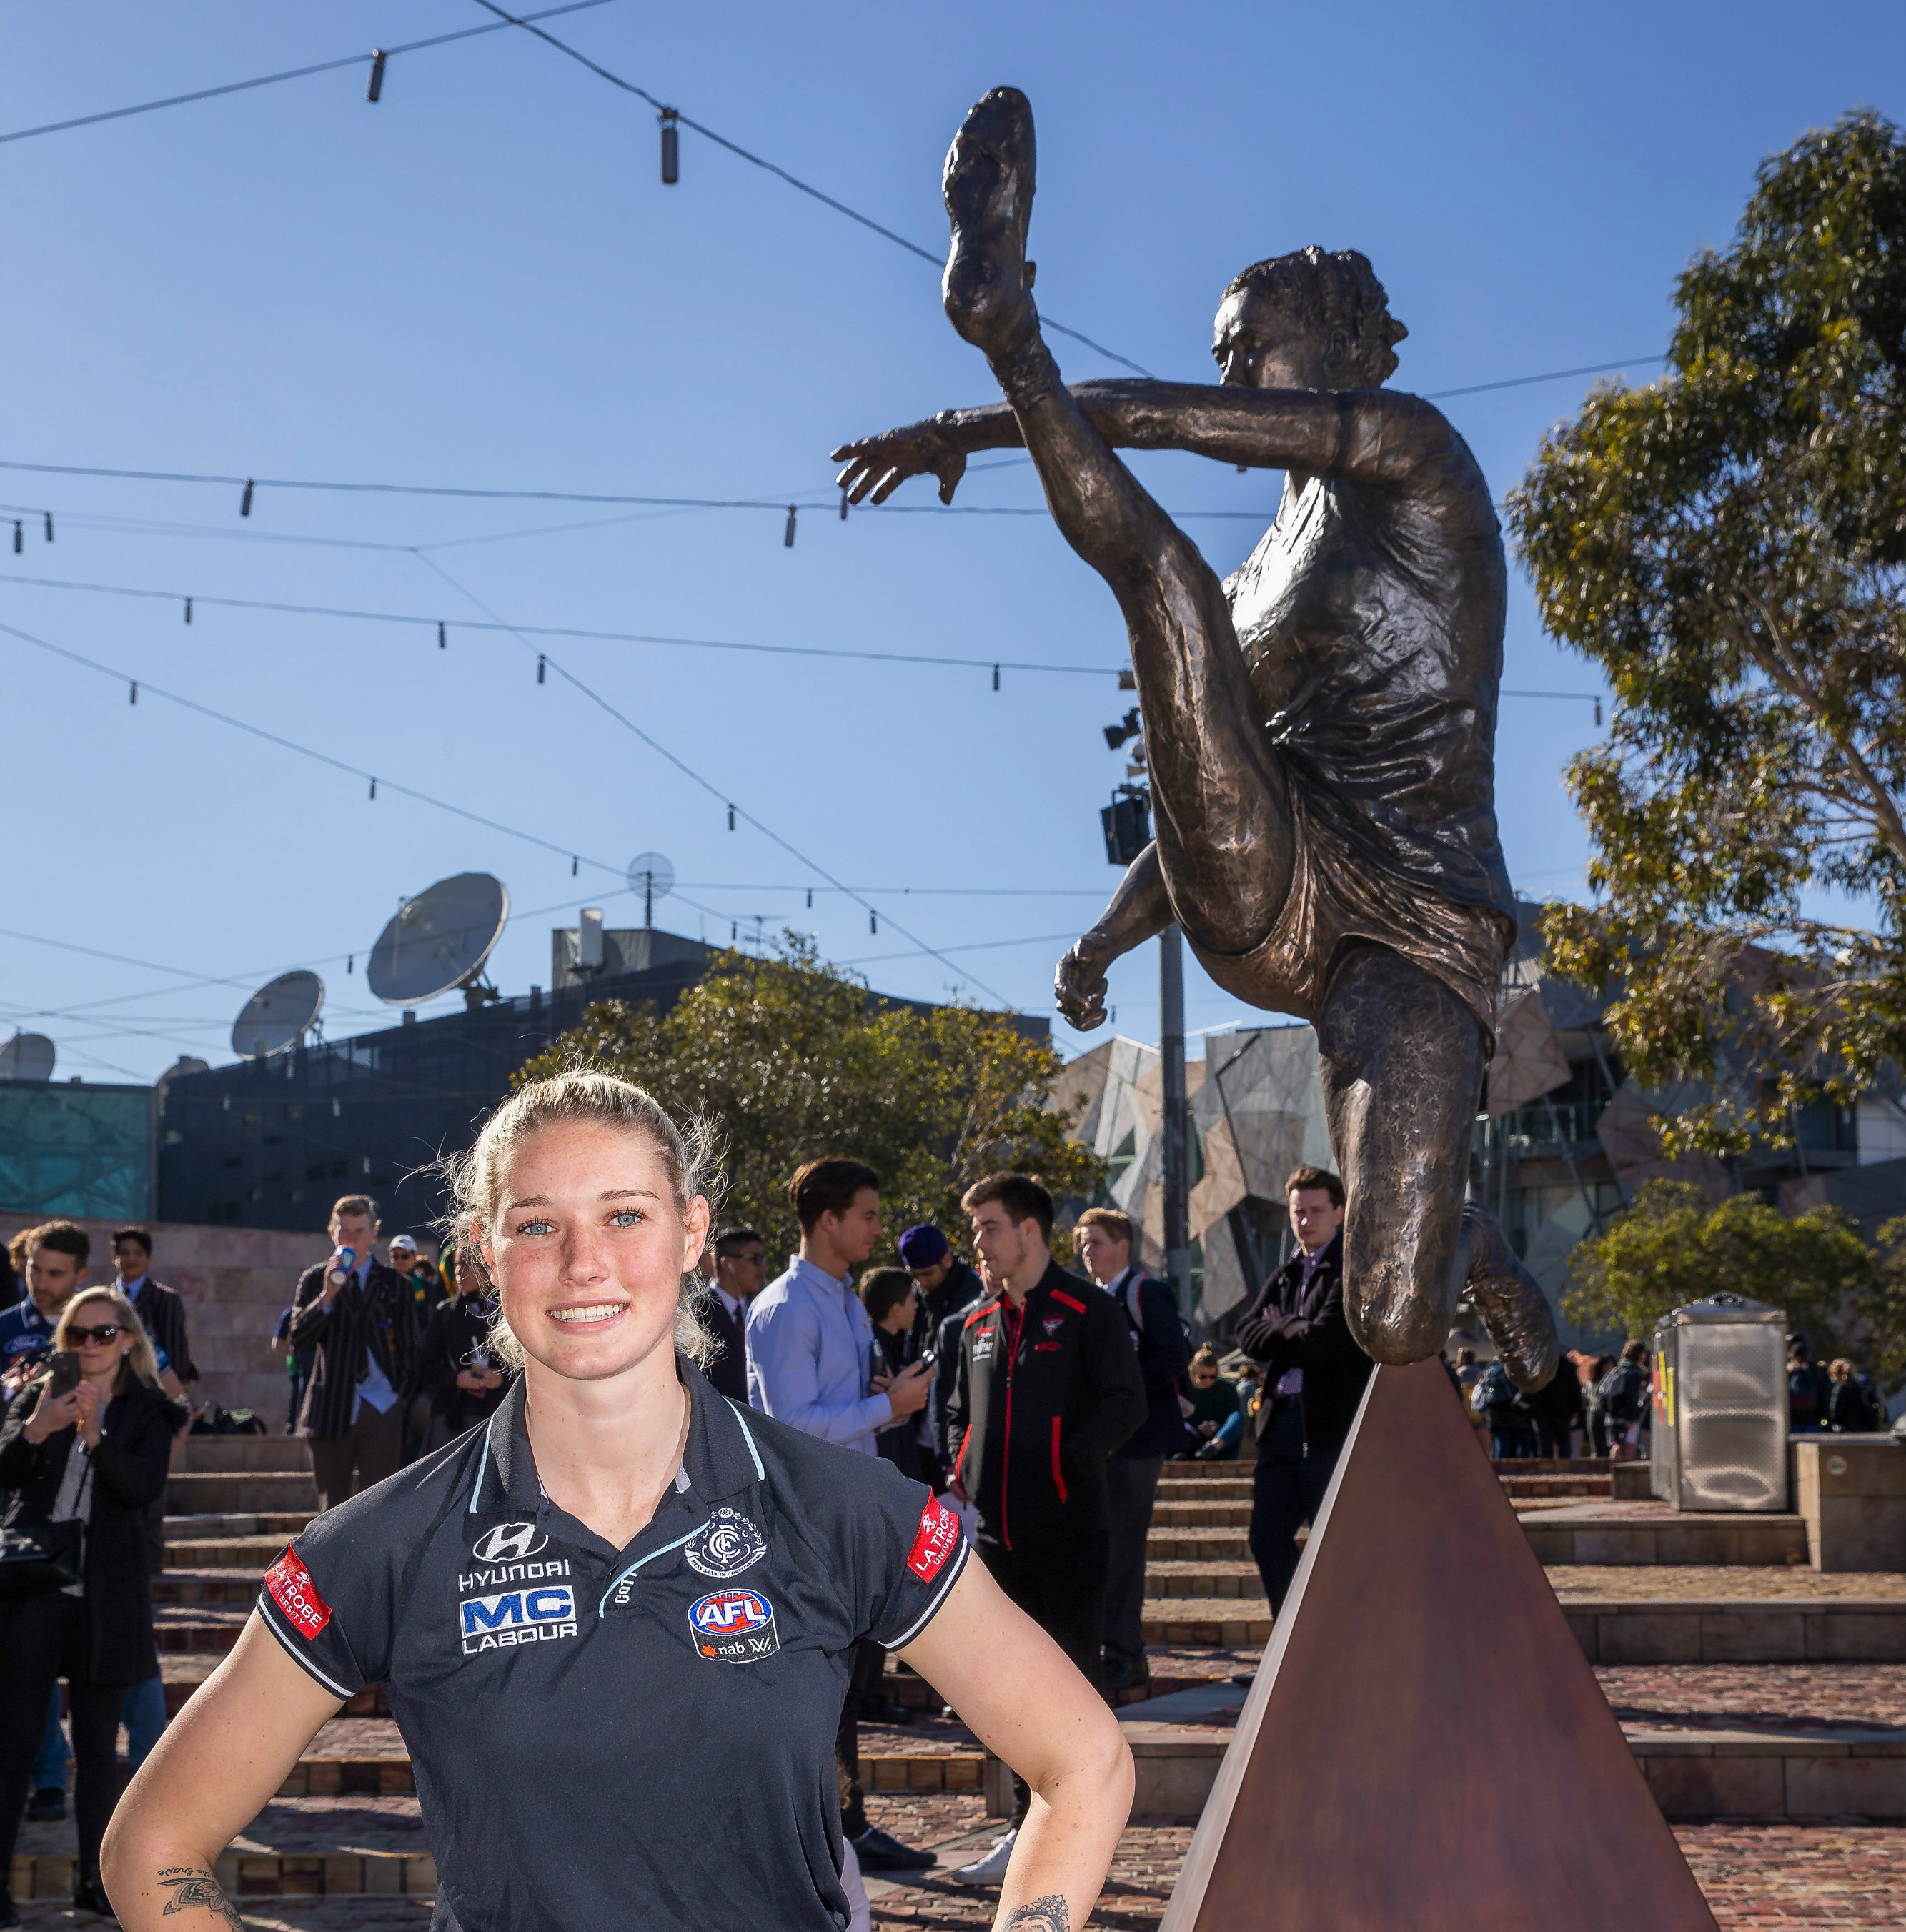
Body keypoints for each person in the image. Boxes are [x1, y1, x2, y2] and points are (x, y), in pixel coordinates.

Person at [833, 89, 1559, 1398]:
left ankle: (1470, 1239)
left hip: (1415, 929)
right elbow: (1204, 783)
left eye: (1250, 348)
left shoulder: (1413, 454)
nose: (1230, 376)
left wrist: (963, 434)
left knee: (1389, 1316)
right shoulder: (1253, 573)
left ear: (1338, 341)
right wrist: (1100, 939)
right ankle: (1003, 323)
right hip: (1280, 886)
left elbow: (1161, 417)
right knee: (1163, 583)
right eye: (1222, 352)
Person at [102, 1071, 1133, 1932]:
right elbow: (154, 1846)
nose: (583, 1263)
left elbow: (1082, 1761)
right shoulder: (382, 1543)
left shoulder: (841, 1505)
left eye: (625, 1216)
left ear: (690, 1233)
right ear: (483, 1250)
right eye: (538, 1224)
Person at [943, 1172, 1148, 1884]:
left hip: (1071, 1536)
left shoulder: (1087, 1310)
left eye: (989, 1225)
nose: (979, 1241)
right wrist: (960, 1462)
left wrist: (1066, 1459)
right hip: (997, 1542)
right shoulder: (974, 1324)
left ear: (1030, 1230)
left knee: (1073, 1696)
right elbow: (955, 1414)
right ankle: (1021, 1833)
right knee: (1009, 1695)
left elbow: (1128, 1403)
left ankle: (1081, 1842)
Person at [746, 1159, 935, 1876]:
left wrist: (879, 1392)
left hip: (847, 1516)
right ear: (828, 1220)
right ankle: (823, 1832)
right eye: (867, 1214)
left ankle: (844, 1826)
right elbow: (791, 1426)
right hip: (802, 1523)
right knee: (821, 1685)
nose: (877, 1226)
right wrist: (889, 1406)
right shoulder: (788, 1306)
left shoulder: (847, 1300)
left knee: (851, 1680)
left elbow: (835, 1406)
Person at [0, 1286, 186, 1923]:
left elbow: (141, 1490)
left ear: (128, 1339)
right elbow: (4, 1470)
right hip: (33, 1592)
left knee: (100, 1752)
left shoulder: (150, 1410)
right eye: (78, 1335)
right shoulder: (37, 1394)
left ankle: (96, 1884)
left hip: (108, 1597)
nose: (90, 1345)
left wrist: (97, 1435)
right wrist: (38, 1427)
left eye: (104, 1334)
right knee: (15, 1741)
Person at [1234, 1166, 1372, 1615]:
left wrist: (1284, 1329)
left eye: (1316, 1211)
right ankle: (1291, 1647)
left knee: (1335, 1545)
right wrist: (1287, 1330)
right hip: (1279, 1425)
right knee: (1266, 1537)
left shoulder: (1351, 1268)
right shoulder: (1287, 1272)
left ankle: (1342, 1651)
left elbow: (1331, 1342)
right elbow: (1246, 1336)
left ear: (1339, 1212)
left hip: (1328, 1427)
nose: (1306, 1220)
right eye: (1298, 1211)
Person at [1072, 1206, 1191, 1697]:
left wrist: (1119, 1388)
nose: (1087, 1252)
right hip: (1105, 1446)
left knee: (1123, 1550)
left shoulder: (1144, 1293)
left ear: (1122, 1244)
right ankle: (1111, 1648)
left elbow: (1174, 1358)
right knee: (1105, 1549)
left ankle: (1125, 1655)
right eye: (1082, 1244)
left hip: (1137, 1443)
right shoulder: (1093, 1300)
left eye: (1095, 1242)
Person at [287, 1196, 420, 1512]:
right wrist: (327, 1297)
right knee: (332, 1510)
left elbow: (412, 1348)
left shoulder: (394, 1284)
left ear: (373, 1234)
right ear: (333, 1234)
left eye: (359, 1231)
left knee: (382, 1508)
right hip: (331, 1404)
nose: (351, 1240)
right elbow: (299, 1340)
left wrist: (402, 1396)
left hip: (383, 1403)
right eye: (344, 1232)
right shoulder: (314, 1279)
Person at [898, 1223, 988, 1479]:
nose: (920, 1282)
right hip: (917, 1429)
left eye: (926, 1274)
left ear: (947, 1260)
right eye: (914, 1275)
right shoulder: (917, 1294)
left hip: (956, 1434)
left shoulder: (974, 1301)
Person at [416, 1249, 510, 1450]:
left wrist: (501, 1379)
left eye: (468, 1264)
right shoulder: (446, 1312)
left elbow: (525, 1367)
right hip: (451, 1418)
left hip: (497, 1416)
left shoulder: (507, 1312)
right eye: (458, 1264)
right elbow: (425, 1367)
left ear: (487, 1268)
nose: (459, 1272)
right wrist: (456, 1379)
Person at [862, 1267, 928, 1484]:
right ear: (896, 1309)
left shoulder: (899, 1345)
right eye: (912, 1300)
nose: (917, 1306)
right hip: (890, 1472)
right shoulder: (876, 1354)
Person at [701, 1226, 768, 1404]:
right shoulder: (700, 1314)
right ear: (728, 1263)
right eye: (755, 1259)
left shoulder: (761, 1308)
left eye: (762, 1259)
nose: (763, 1268)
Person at [1181, 1345, 1240, 1458]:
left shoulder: (1228, 1388)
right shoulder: (1185, 1388)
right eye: (1203, 1377)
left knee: (1237, 1416)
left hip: (1220, 1443)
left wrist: (1217, 1426)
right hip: (1190, 1440)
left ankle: (1212, 1447)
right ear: (1193, 1371)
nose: (1208, 1380)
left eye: (1212, 1376)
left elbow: (1234, 1419)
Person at [1597, 1341, 1651, 1460]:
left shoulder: (1617, 1369)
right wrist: (1631, 1417)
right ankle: (1624, 1476)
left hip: (1612, 1416)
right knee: (1629, 1447)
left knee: (1617, 1445)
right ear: (1641, 1355)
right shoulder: (1635, 1372)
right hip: (1628, 1417)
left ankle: (1614, 1473)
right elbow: (1631, 1396)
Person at [1827, 1358, 1885, 1433]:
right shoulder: (1862, 1385)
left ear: (1836, 1373)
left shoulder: (1840, 1388)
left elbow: (1835, 1413)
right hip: (1866, 1427)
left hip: (1847, 1429)